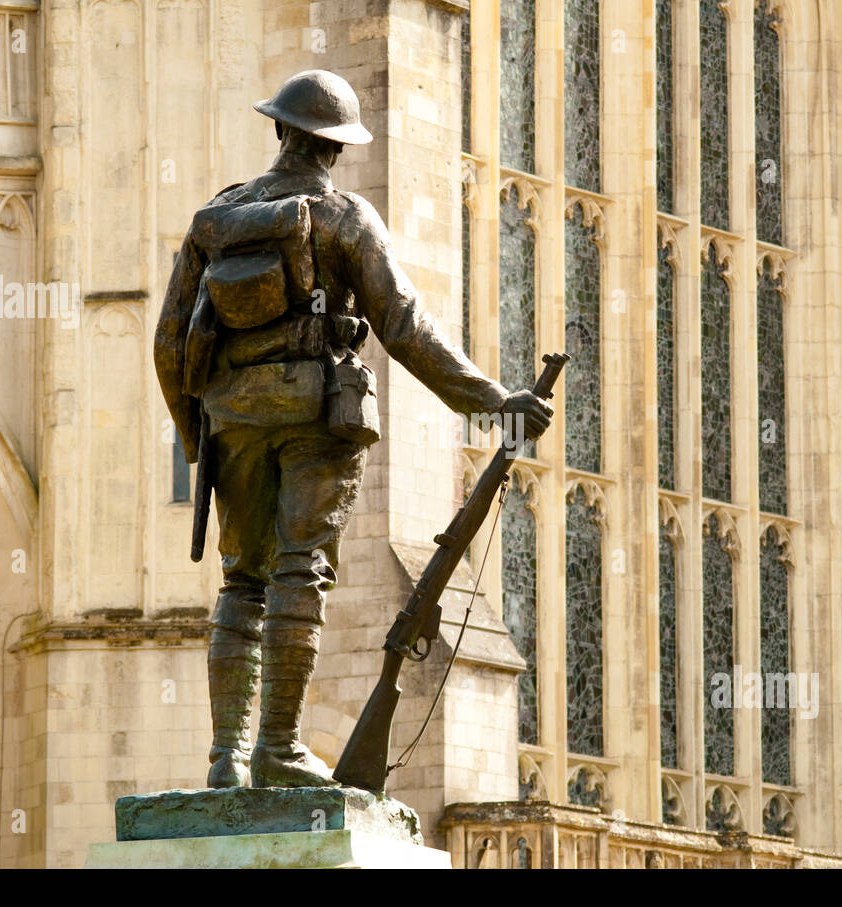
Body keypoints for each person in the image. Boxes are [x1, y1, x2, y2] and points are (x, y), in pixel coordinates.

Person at [154, 69, 553, 788]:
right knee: (297, 572)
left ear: (279, 130)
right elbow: (405, 328)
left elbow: (168, 345)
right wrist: (496, 403)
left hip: (233, 421)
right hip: (318, 417)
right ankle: (277, 748)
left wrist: (198, 436)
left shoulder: (216, 217)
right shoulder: (345, 218)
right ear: (334, 149)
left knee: (240, 582)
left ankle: (225, 759)